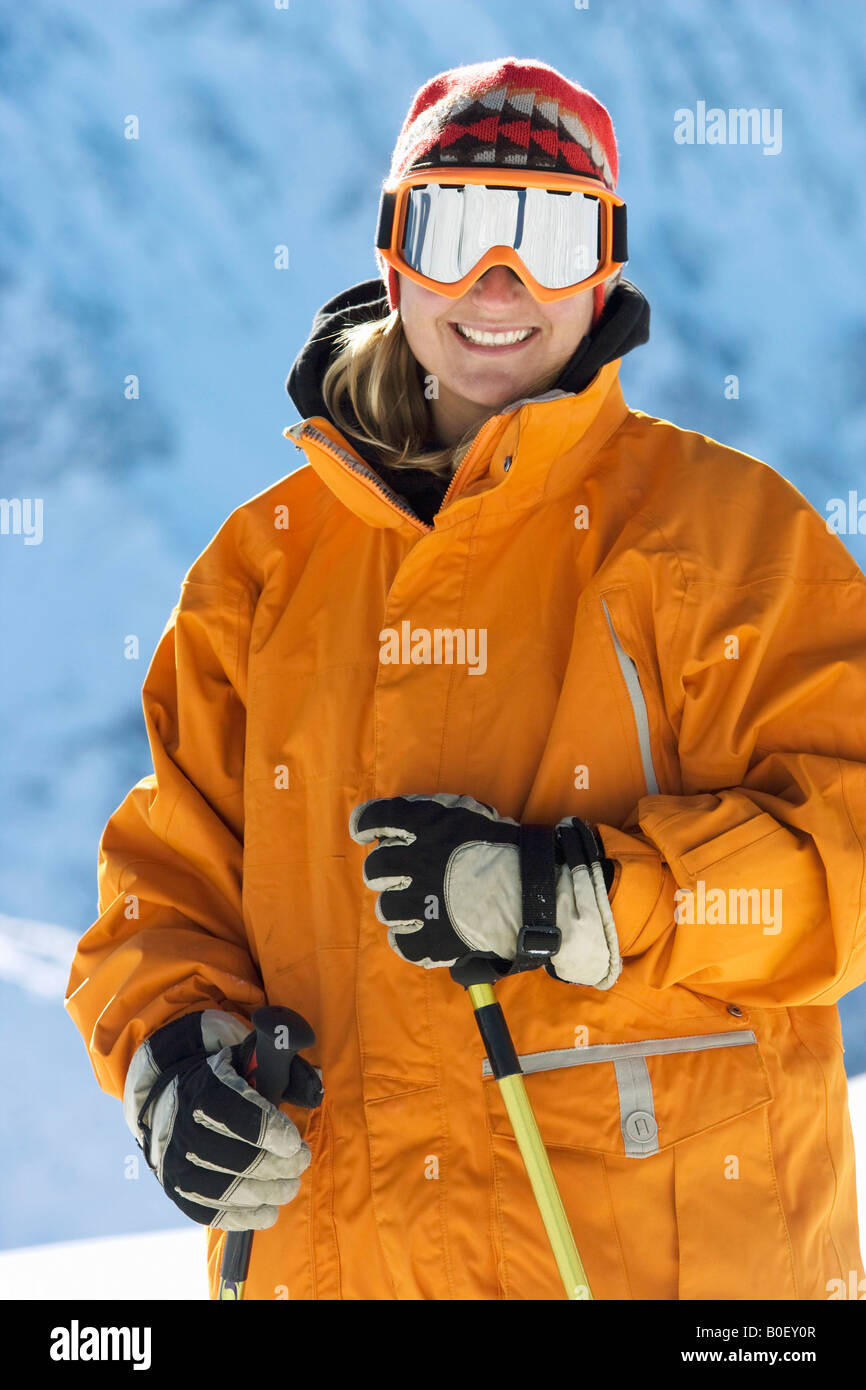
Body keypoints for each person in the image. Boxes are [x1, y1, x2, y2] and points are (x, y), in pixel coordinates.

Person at [66, 57, 866, 1302]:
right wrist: (178, 1056)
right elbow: (166, 891)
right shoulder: (261, 574)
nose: (501, 283)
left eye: (547, 233)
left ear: (602, 268)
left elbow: (847, 859)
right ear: (395, 260)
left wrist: (586, 901)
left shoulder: (726, 538)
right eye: (456, 227)